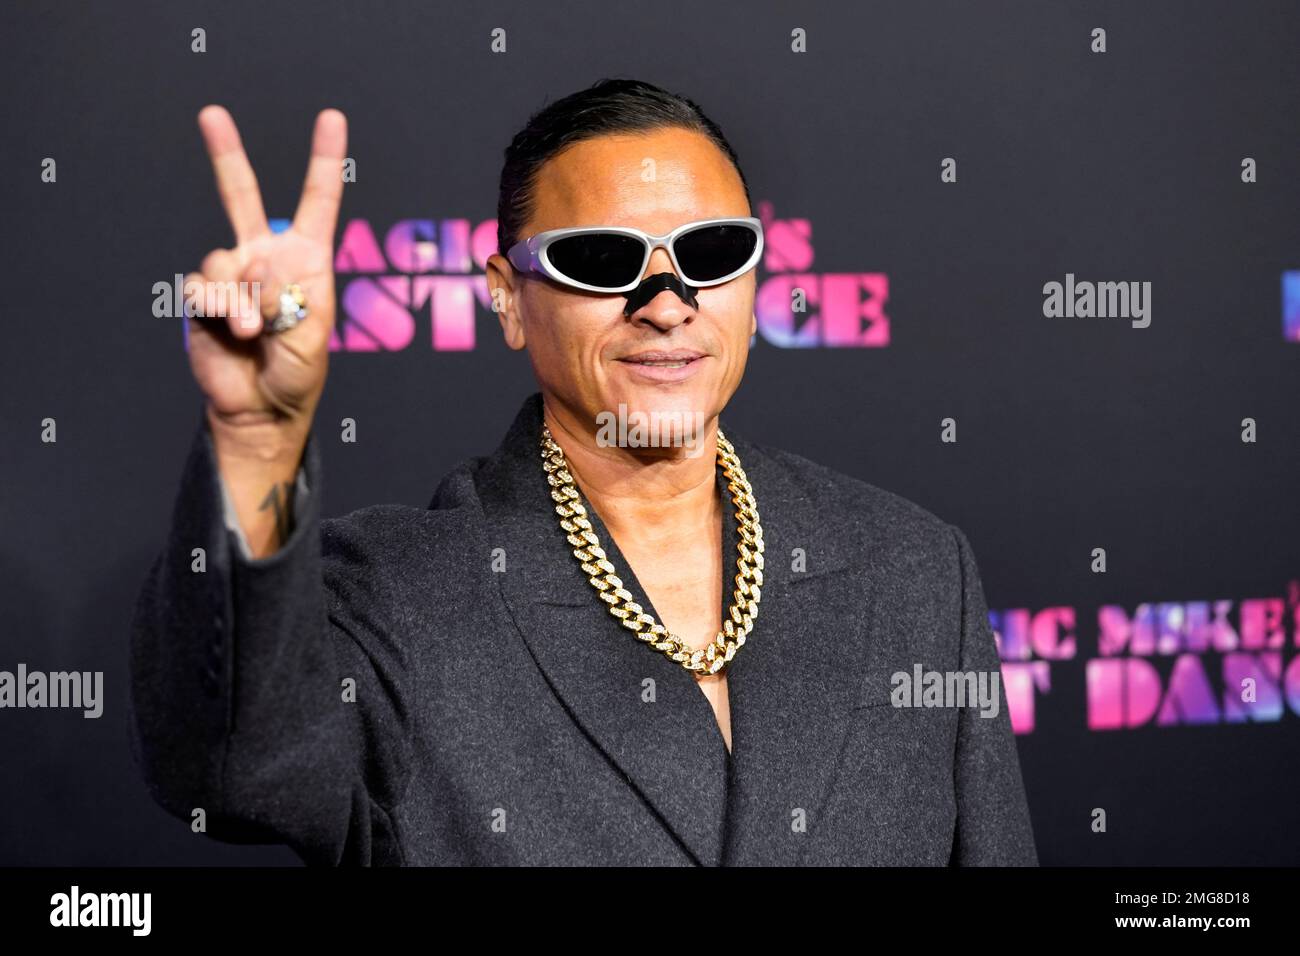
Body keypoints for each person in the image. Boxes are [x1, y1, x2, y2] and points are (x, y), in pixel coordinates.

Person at [129, 78, 1037, 866]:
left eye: (712, 254)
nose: (669, 304)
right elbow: (234, 768)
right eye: (601, 260)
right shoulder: (398, 597)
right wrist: (258, 440)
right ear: (507, 297)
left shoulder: (914, 572)